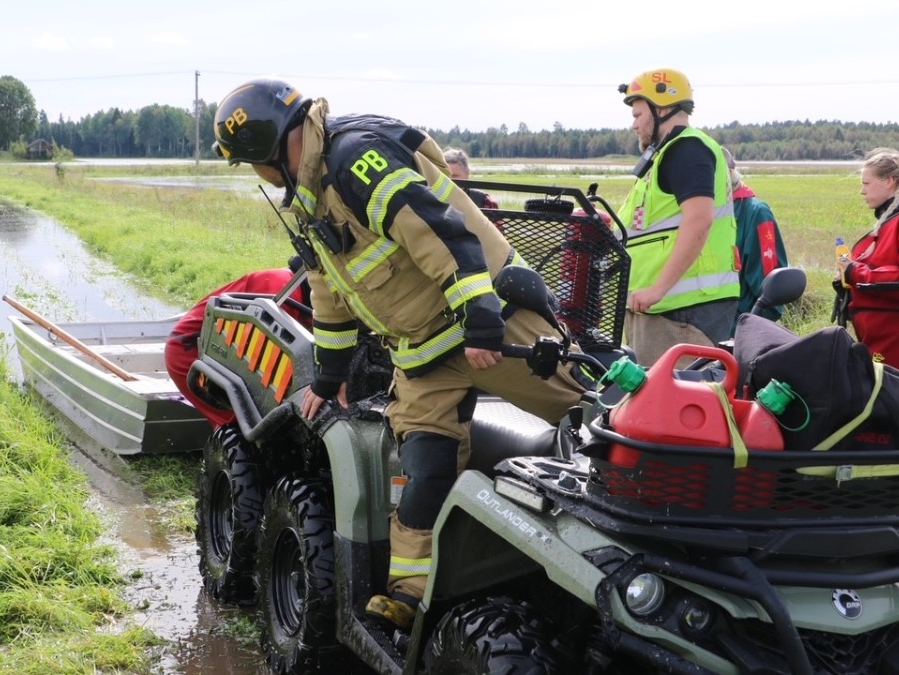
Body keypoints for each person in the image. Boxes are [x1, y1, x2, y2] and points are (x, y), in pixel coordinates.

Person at [212, 78, 588, 632]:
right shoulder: (312, 198)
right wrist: (329, 376)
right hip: (421, 352)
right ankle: (409, 598)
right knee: (422, 471)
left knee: (593, 415)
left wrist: (481, 320)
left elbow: (442, 232)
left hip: (493, 321)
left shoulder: (354, 159)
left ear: (270, 152)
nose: (260, 179)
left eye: (253, 166)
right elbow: (329, 293)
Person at [617, 68, 739, 366]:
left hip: (681, 313)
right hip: (663, 308)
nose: (634, 125)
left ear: (662, 108)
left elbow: (699, 219)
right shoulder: (667, 153)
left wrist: (658, 289)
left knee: (668, 406)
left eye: (638, 114)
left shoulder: (687, 149)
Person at [165, 266, 309, 428]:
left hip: (227, 349)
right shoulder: (283, 290)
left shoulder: (300, 293)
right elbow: (269, 362)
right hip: (193, 349)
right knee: (253, 424)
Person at [836, 147, 899, 372]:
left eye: (866, 184)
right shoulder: (890, 223)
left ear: (889, 181)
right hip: (881, 345)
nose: (861, 191)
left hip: (897, 347)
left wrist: (856, 272)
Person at [725, 146, 788, 331]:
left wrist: (744, 332)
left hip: (737, 332)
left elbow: (770, 293)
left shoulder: (756, 213)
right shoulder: (700, 213)